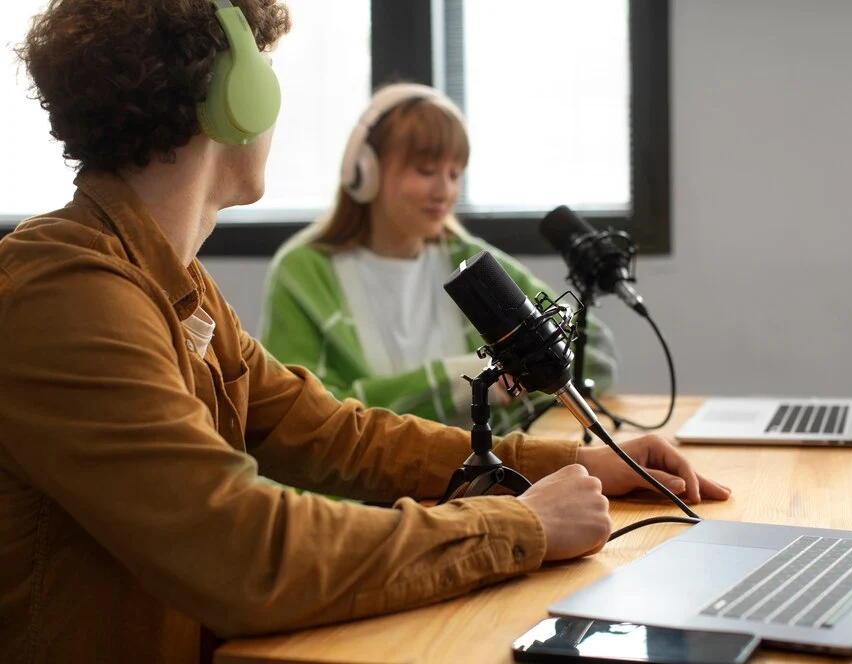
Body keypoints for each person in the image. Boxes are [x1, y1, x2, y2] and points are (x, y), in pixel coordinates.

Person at [0, 2, 731, 663]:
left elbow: (335, 435)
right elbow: (243, 552)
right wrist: (517, 526)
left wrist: (567, 461)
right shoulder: (67, 293)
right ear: (241, 96)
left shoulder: (170, 282)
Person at [258, 82, 619, 433]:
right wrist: (457, 384)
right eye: (426, 171)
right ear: (365, 171)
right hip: (361, 491)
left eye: (454, 174)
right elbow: (300, 417)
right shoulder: (302, 272)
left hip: (488, 482)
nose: (445, 191)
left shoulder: (467, 262)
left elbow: (590, 348)